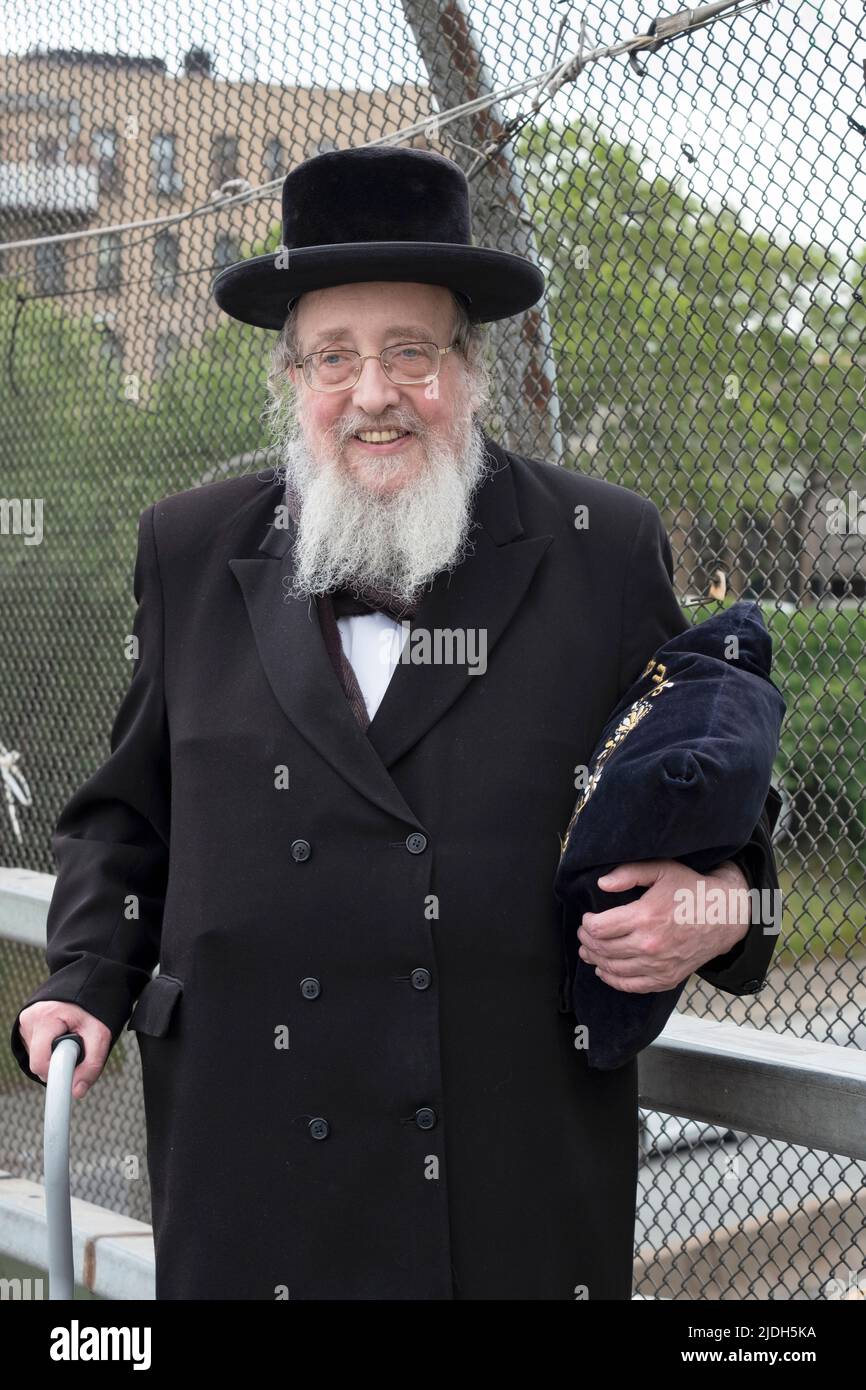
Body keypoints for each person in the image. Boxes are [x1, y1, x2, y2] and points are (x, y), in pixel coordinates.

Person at [11, 145, 781, 1300]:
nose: (371, 392)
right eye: (334, 356)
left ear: (466, 370)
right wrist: (82, 972)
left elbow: (707, 791)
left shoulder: (601, 547)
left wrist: (712, 906)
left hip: (502, 1185)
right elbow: (128, 813)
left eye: (408, 352)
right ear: (292, 380)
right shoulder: (187, 544)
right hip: (249, 1169)